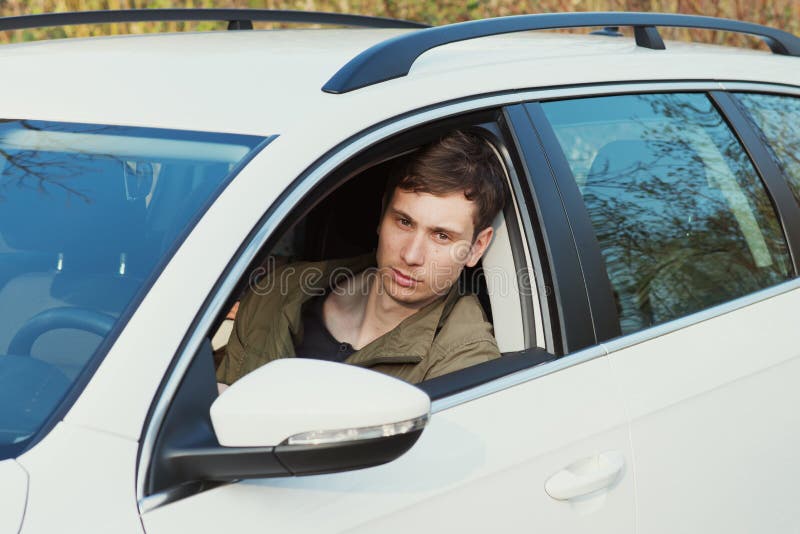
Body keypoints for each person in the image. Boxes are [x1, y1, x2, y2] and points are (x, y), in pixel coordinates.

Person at [216, 130, 507, 386]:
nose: (411, 254)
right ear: (382, 215)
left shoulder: (465, 362)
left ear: (475, 248)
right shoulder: (278, 291)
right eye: (404, 222)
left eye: (441, 236)